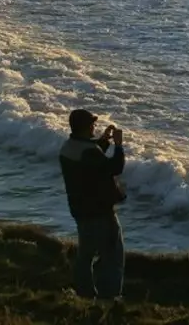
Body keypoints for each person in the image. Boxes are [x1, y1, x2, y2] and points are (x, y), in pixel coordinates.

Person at [59, 109, 127, 299]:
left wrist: (104, 140)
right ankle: (110, 298)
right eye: (92, 124)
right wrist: (119, 146)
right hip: (100, 212)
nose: (94, 126)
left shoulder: (68, 147)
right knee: (113, 256)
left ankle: (84, 294)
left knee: (86, 255)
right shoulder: (88, 152)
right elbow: (115, 167)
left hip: (80, 210)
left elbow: (91, 161)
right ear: (85, 126)